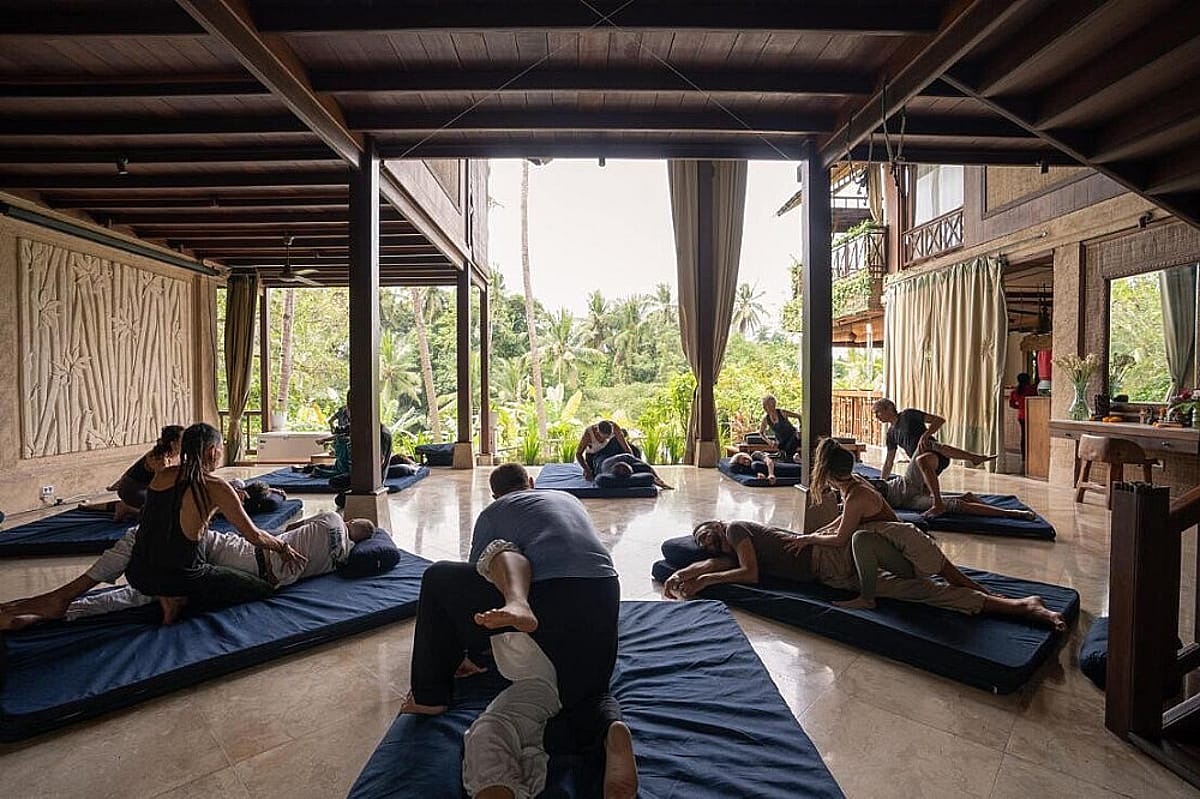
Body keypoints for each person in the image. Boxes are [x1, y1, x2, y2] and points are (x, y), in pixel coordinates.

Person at [401, 463, 637, 798]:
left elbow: (478, 576)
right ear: (531, 482)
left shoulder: (494, 510)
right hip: (602, 591)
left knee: (439, 577)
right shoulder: (566, 498)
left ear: (495, 494)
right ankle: (609, 726)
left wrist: (467, 650)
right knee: (589, 693)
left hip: (545, 594)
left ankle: (429, 697)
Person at [662, 440, 1065, 630]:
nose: (708, 541)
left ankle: (1007, 602)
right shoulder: (730, 546)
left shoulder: (736, 528)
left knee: (931, 566)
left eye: (707, 534)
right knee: (928, 589)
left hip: (858, 552)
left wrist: (704, 578)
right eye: (705, 543)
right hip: (846, 564)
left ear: (718, 525)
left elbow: (747, 571)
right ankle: (1018, 606)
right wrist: (691, 572)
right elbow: (730, 562)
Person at [0, 513, 376, 629]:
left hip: (245, 554)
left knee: (141, 536)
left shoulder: (329, 518)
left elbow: (280, 533)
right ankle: (60, 611)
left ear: (350, 520)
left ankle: (61, 599)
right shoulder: (340, 558)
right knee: (152, 586)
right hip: (262, 577)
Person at [122, 422, 307, 622]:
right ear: (212, 452)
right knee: (262, 589)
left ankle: (168, 596)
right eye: (220, 450)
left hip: (137, 573)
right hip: (179, 577)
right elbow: (254, 535)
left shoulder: (161, 476)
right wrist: (283, 547)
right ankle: (178, 598)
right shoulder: (215, 486)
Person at [872, 398, 997, 518]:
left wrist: (926, 435)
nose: (876, 416)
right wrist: (881, 484)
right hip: (921, 466)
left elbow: (939, 420)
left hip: (936, 455)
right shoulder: (891, 434)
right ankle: (965, 497)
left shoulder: (908, 415)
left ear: (889, 408)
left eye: (877, 411)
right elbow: (889, 462)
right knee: (924, 498)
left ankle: (972, 458)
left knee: (926, 451)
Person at [81, 425, 184, 522]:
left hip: (141, 488)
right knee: (163, 511)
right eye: (182, 439)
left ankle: (95, 506)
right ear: (173, 443)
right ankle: (129, 510)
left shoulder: (177, 455)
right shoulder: (160, 458)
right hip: (134, 489)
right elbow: (159, 485)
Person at [596, 452, 674, 490]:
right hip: (602, 457)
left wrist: (659, 480)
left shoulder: (627, 457)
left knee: (644, 467)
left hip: (618, 454)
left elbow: (647, 466)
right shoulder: (605, 470)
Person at [759, 395, 802, 463]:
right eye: (769, 405)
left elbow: (799, 416)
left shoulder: (781, 412)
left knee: (789, 449)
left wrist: (800, 429)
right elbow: (761, 433)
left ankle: (795, 459)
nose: (771, 407)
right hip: (781, 441)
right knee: (782, 450)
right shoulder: (766, 419)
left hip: (792, 436)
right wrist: (768, 441)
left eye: (773, 404)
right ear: (765, 407)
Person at [1009, 373, 1039, 466]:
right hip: (1033, 416)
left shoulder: (1015, 391)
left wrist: (1020, 407)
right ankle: (1033, 455)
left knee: (1024, 437)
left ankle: (1023, 456)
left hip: (1021, 416)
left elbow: (1011, 404)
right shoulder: (1031, 389)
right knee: (1034, 436)